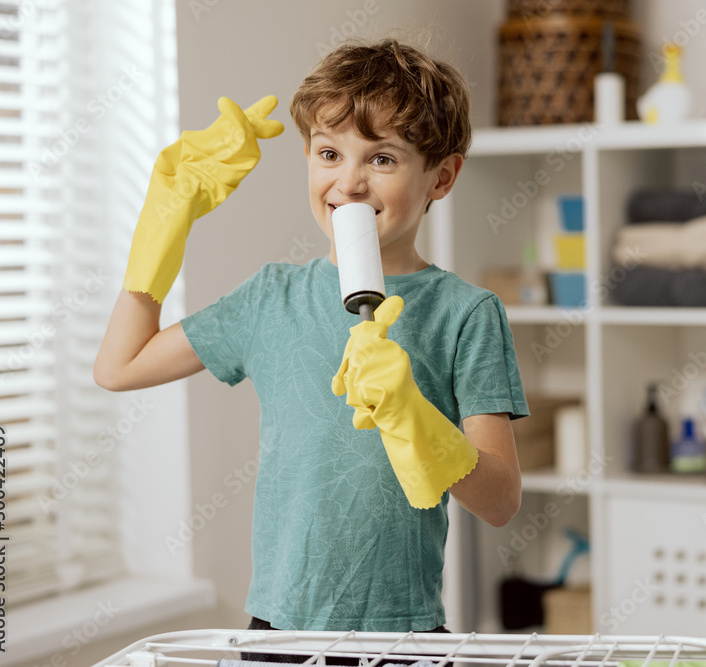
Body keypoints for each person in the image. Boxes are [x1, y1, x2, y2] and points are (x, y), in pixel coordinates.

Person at [93, 38, 528, 662]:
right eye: (329, 154)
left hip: (404, 634)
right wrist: (165, 223)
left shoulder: (466, 313)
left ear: (442, 175)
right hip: (279, 631)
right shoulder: (270, 297)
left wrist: (418, 422)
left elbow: (502, 502)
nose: (348, 182)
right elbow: (119, 367)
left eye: (382, 158)